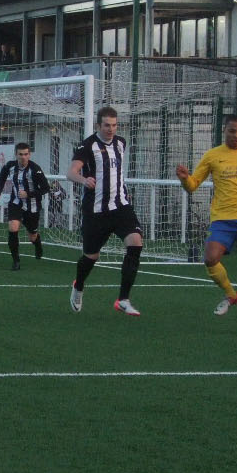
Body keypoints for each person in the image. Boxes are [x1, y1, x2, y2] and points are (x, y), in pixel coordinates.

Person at [175, 114, 237, 335]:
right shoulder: (212, 156)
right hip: (222, 218)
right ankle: (231, 294)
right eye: (232, 131)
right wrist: (184, 179)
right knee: (210, 259)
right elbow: (193, 186)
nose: (236, 135)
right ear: (225, 131)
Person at [68, 106, 144, 316]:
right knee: (91, 256)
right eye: (107, 125)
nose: (111, 129)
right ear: (98, 125)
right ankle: (78, 286)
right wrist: (84, 179)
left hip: (120, 206)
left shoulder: (121, 143)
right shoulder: (87, 146)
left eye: (114, 125)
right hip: (96, 212)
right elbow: (71, 173)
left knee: (136, 243)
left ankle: (123, 299)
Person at [0, 142, 51, 270]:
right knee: (13, 227)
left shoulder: (35, 169)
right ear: (16, 154)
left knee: (32, 236)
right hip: (16, 203)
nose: (23, 157)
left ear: (29, 155)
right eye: (20, 154)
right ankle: (16, 261)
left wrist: (28, 194)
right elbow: (2, 176)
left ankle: (37, 244)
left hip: (32, 206)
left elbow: (46, 188)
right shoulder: (10, 166)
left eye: (26, 154)